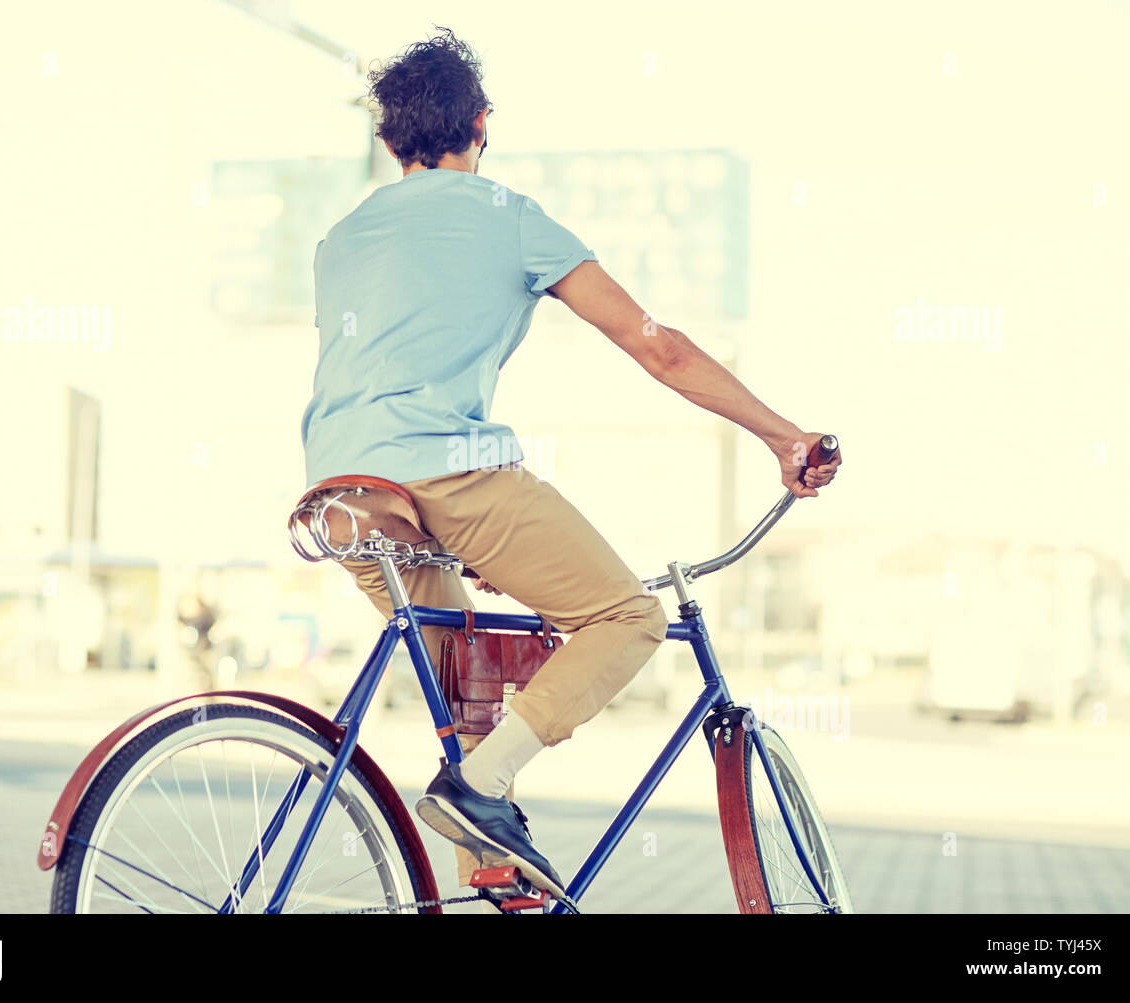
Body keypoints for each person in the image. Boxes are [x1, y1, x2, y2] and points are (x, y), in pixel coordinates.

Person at [300, 27, 841, 904]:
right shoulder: (509, 216)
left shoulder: (338, 239)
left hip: (341, 494)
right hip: (446, 471)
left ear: (388, 139)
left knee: (470, 688)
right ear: (480, 124)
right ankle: (481, 790)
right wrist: (784, 436)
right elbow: (655, 346)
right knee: (624, 617)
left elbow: (378, 377)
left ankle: (491, 872)